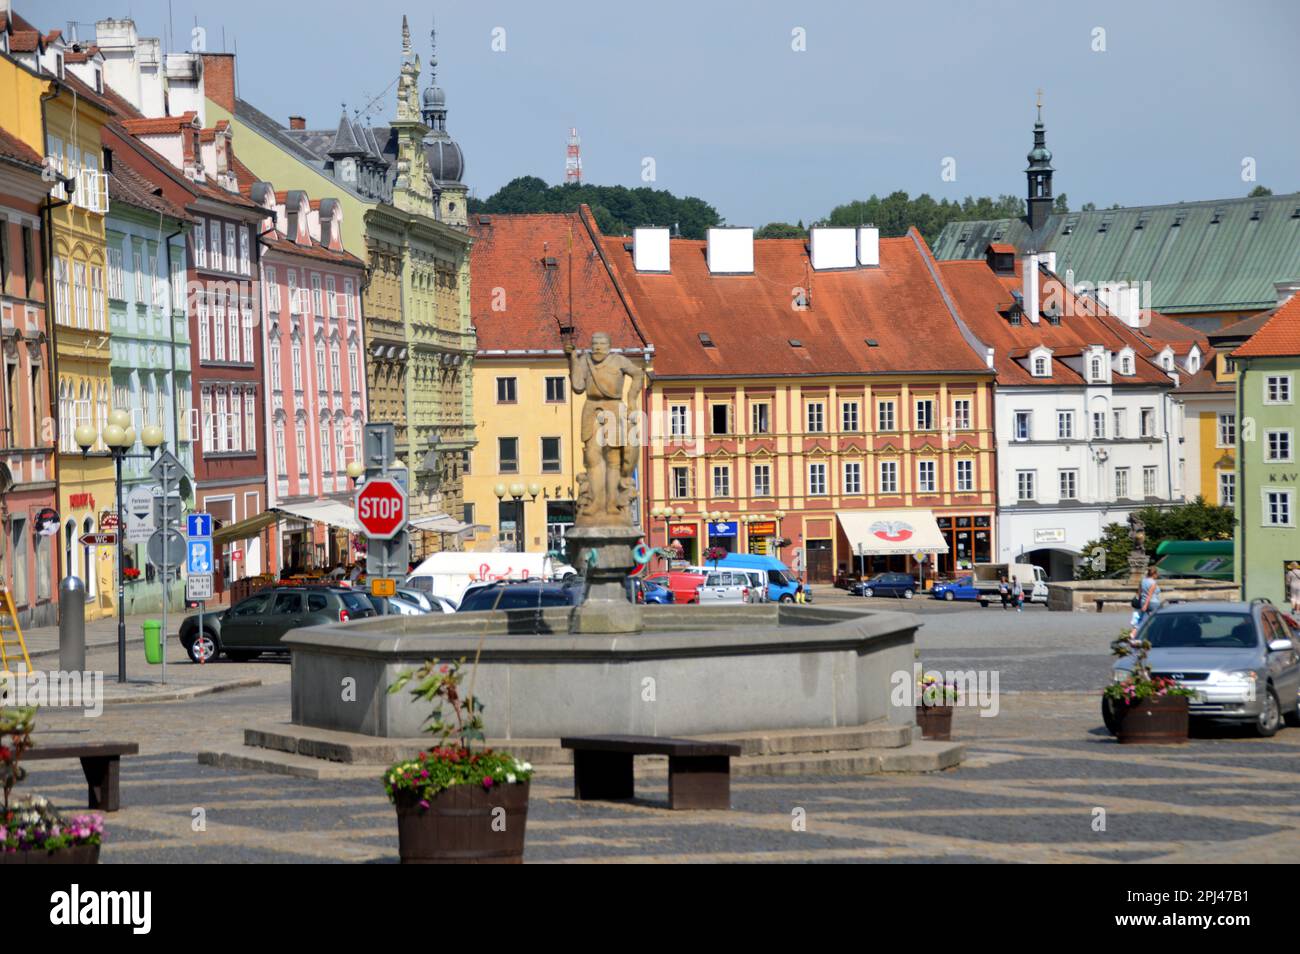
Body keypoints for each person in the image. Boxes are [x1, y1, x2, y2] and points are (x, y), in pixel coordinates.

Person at [1130, 566, 1162, 638]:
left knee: (1143, 619)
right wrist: (1146, 605)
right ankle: (1155, 635)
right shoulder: (1153, 583)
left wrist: (1143, 604)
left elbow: (1139, 592)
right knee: (1157, 619)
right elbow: (1149, 595)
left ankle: (1133, 633)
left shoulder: (1143, 581)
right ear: (1154, 574)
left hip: (1143, 602)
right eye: (1157, 574)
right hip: (1153, 603)